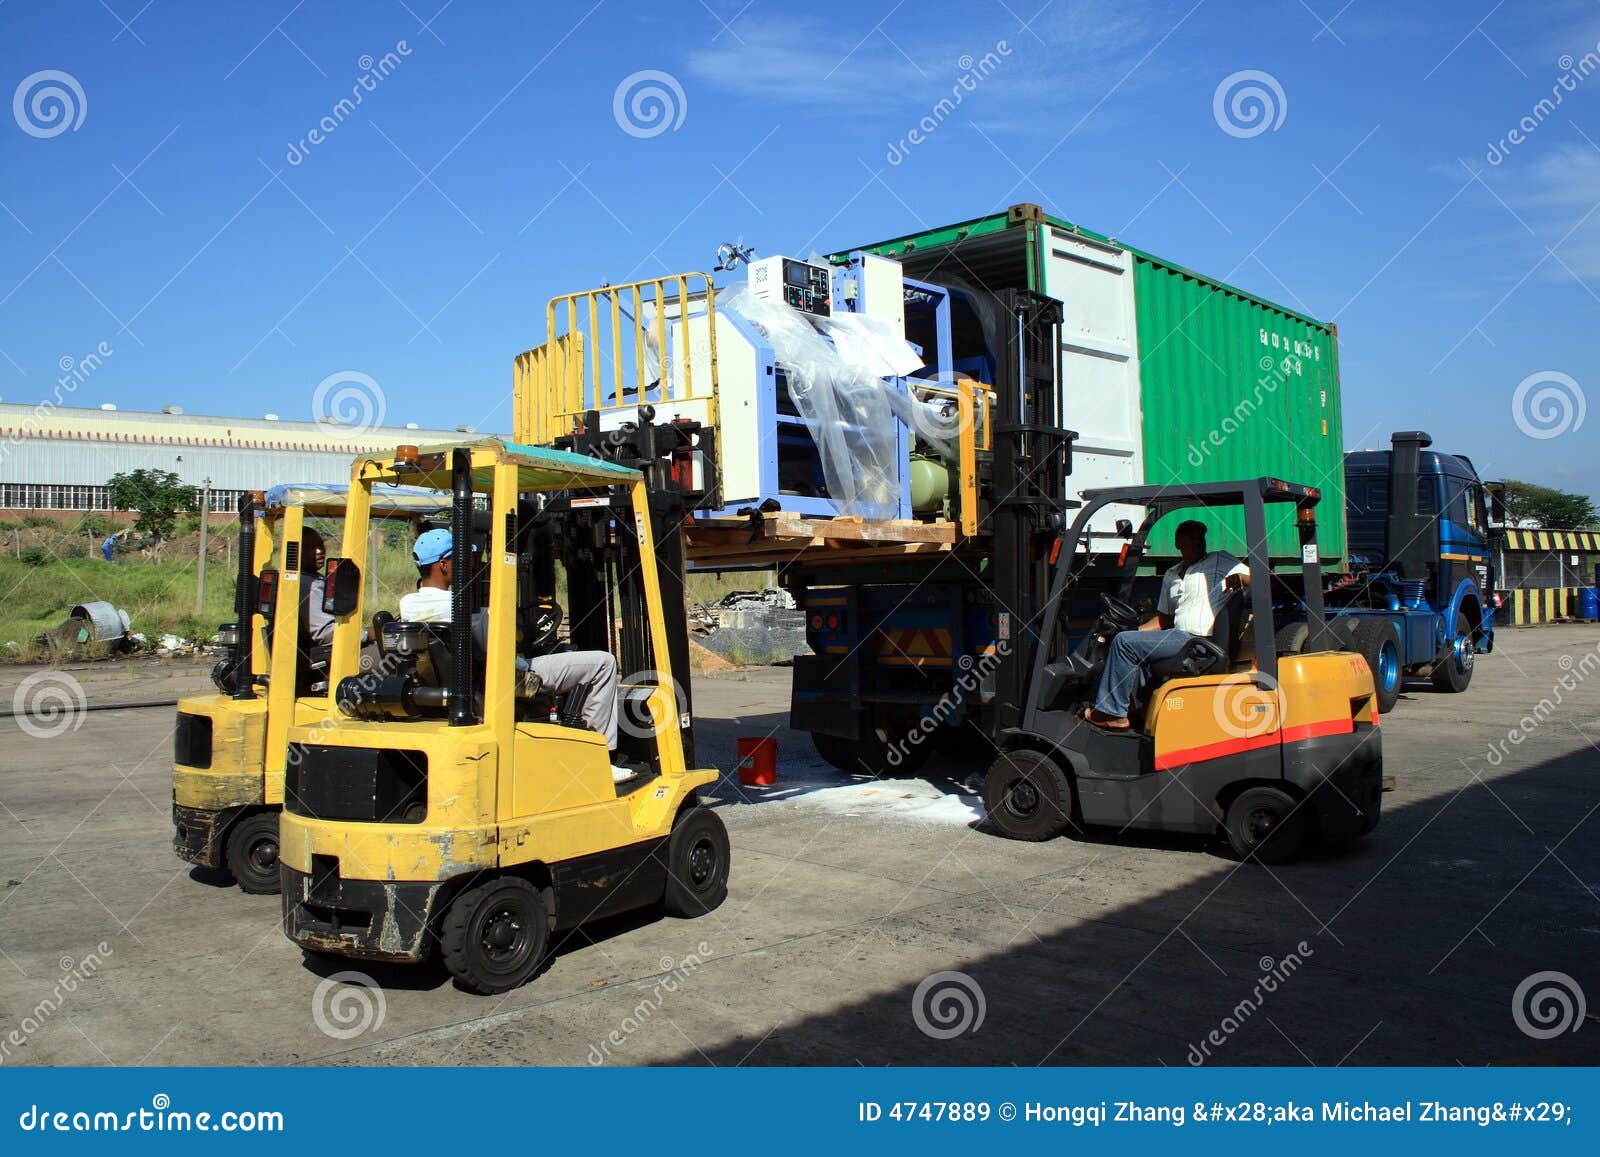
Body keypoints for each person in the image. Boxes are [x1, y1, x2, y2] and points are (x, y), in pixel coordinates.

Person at [400, 528, 633, 784]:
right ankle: (600, 761)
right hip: (507, 677)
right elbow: (498, 648)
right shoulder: (466, 607)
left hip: (456, 683)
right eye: (460, 558)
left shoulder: (407, 605)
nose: (466, 564)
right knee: (603, 663)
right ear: (443, 565)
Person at [1083, 519, 1250, 732]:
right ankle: (1140, 710)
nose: (1198, 541)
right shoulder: (1172, 574)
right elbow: (1164, 620)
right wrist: (1135, 633)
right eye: (1192, 537)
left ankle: (1112, 713)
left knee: (1124, 643)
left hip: (1198, 641)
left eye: (1200, 537)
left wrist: (1241, 577)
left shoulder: (1218, 559)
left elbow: (1263, 579)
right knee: (1126, 641)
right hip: (1177, 636)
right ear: (1178, 543)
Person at [300, 528, 334, 646]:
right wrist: (366, 634)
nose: (320, 551)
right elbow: (324, 633)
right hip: (317, 651)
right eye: (310, 547)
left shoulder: (313, 578)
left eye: (320, 545)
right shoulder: (310, 584)